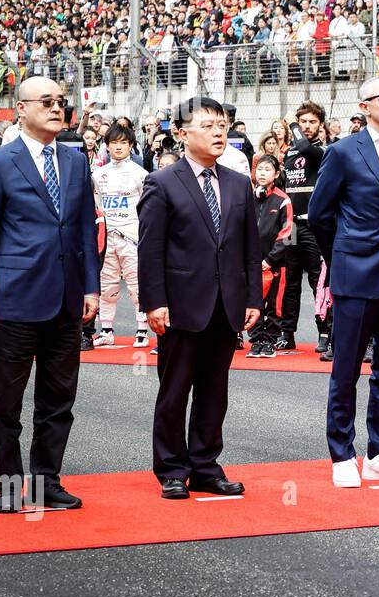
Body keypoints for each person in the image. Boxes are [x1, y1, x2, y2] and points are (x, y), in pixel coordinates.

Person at [0, 76, 100, 513]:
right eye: (46, 101)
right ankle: (9, 484)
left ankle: (47, 482)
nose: (56, 108)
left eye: (61, 101)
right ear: (20, 109)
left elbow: (83, 228)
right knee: (6, 401)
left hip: (66, 300)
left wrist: (91, 287)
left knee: (58, 399)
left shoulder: (76, 160)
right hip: (15, 299)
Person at [138, 96, 259, 501]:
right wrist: (154, 302)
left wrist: (253, 298)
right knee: (174, 391)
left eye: (222, 124)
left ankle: (206, 466)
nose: (218, 132)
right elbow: (150, 250)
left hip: (226, 304)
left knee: (214, 390)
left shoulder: (239, 183)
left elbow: (248, 249)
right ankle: (172, 469)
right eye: (207, 125)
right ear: (181, 133)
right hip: (179, 305)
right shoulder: (162, 182)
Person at [309, 75, 379, 488]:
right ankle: (342, 454)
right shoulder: (343, 152)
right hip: (355, 270)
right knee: (346, 367)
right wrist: (341, 254)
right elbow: (320, 214)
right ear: (365, 106)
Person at [91, 122, 149, 348]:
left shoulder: (140, 174)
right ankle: (106, 330)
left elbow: (146, 207)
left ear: (131, 146)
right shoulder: (98, 174)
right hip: (108, 238)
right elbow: (98, 207)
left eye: (123, 143)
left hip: (132, 237)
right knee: (107, 285)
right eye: (113, 143)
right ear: (106, 146)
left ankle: (142, 330)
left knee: (137, 285)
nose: (118, 148)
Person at [280, 101, 331, 353]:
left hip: (314, 229)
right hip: (292, 229)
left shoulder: (322, 151)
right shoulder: (289, 152)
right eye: (303, 122)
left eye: (312, 122)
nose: (307, 126)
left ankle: (325, 331)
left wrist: (292, 124)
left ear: (321, 125)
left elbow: (305, 147)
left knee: (317, 281)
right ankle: (287, 333)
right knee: (290, 281)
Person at [248, 153, 294, 358]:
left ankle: (270, 340)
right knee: (253, 301)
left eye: (267, 169)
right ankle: (256, 339)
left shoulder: (283, 200)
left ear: (276, 174)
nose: (263, 173)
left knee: (275, 304)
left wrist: (270, 260)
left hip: (276, 264)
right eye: (260, 169)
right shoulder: (248, 198)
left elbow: (288, 235)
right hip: (251, 263)